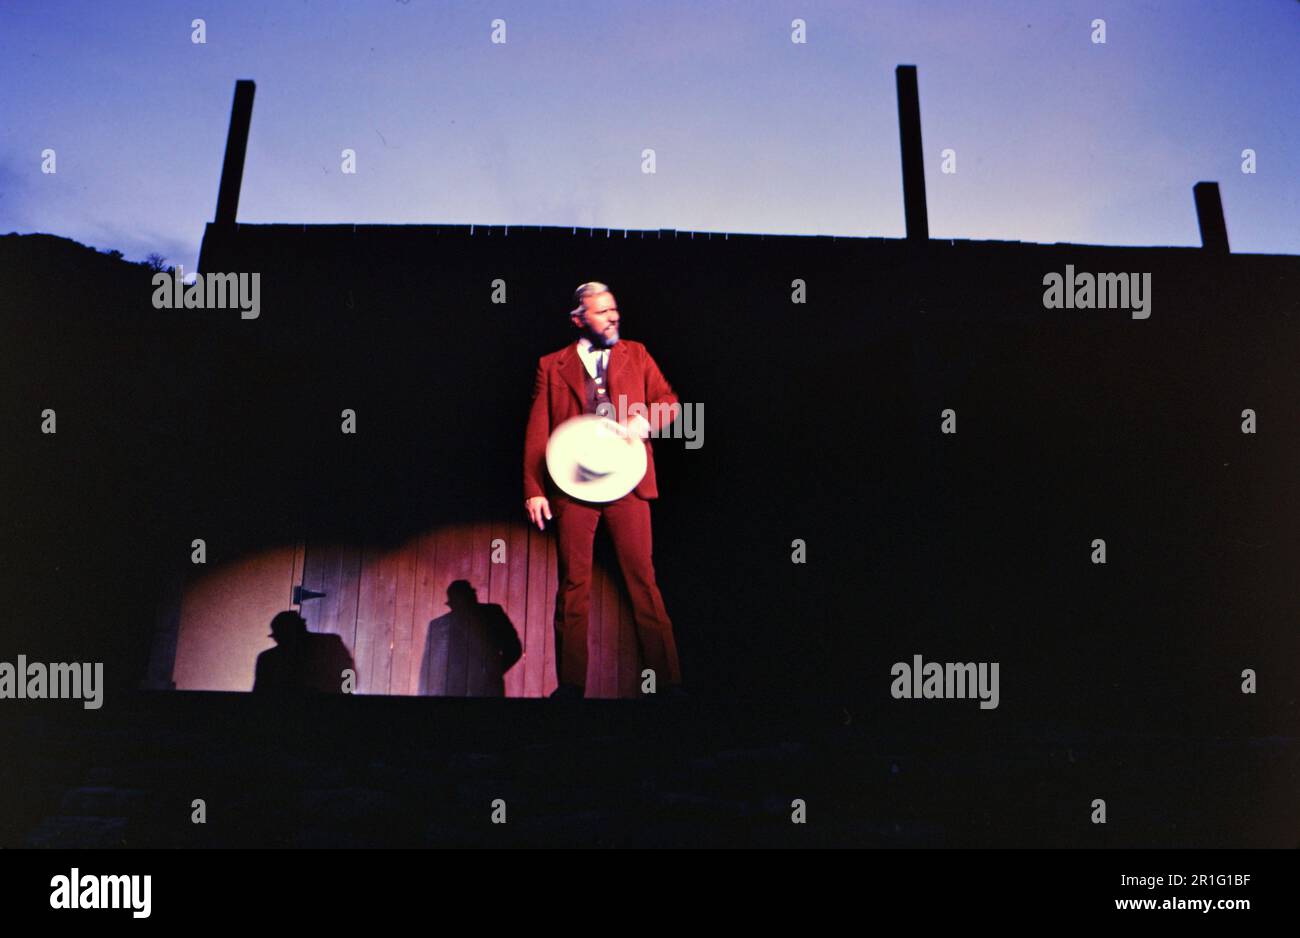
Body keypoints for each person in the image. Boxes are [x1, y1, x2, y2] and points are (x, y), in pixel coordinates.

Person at [523, 282, 685, 699]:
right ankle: (572, 686)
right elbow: (538, 429)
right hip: (573, 484)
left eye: (614, 310)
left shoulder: (637, 353)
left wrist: (641, 422)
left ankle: (667, 682)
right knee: (574, 586)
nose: (613, 317)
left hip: (626, 482)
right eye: (602, 311)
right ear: (579, 319)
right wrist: (534, 489)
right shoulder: (551, 364)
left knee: (642, 581)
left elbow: (670, 403)